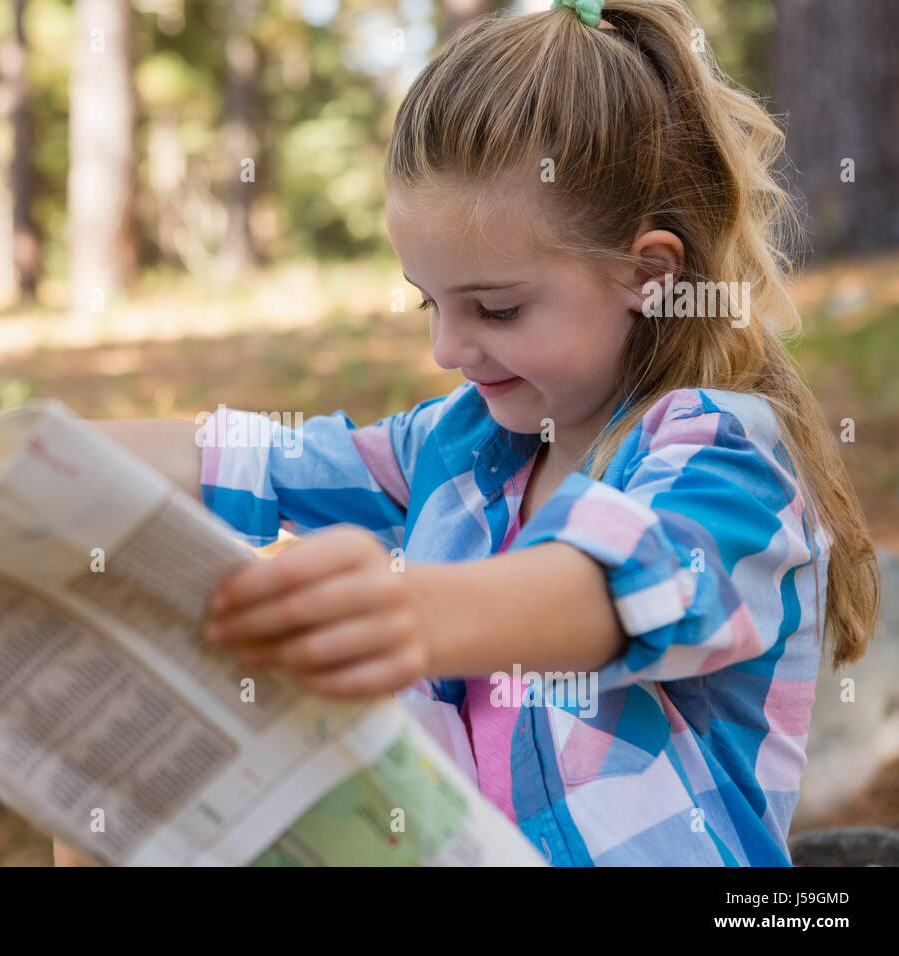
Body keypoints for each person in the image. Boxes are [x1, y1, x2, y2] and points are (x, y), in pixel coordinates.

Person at [81, 0, 880, 866]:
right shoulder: (460, 446)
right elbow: (246, 461)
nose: (446, 349)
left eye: (495, 308)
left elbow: (616, 591)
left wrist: (408, 615)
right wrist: (0, 458)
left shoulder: (723, 454)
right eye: (431, 302)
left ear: (648, 275)